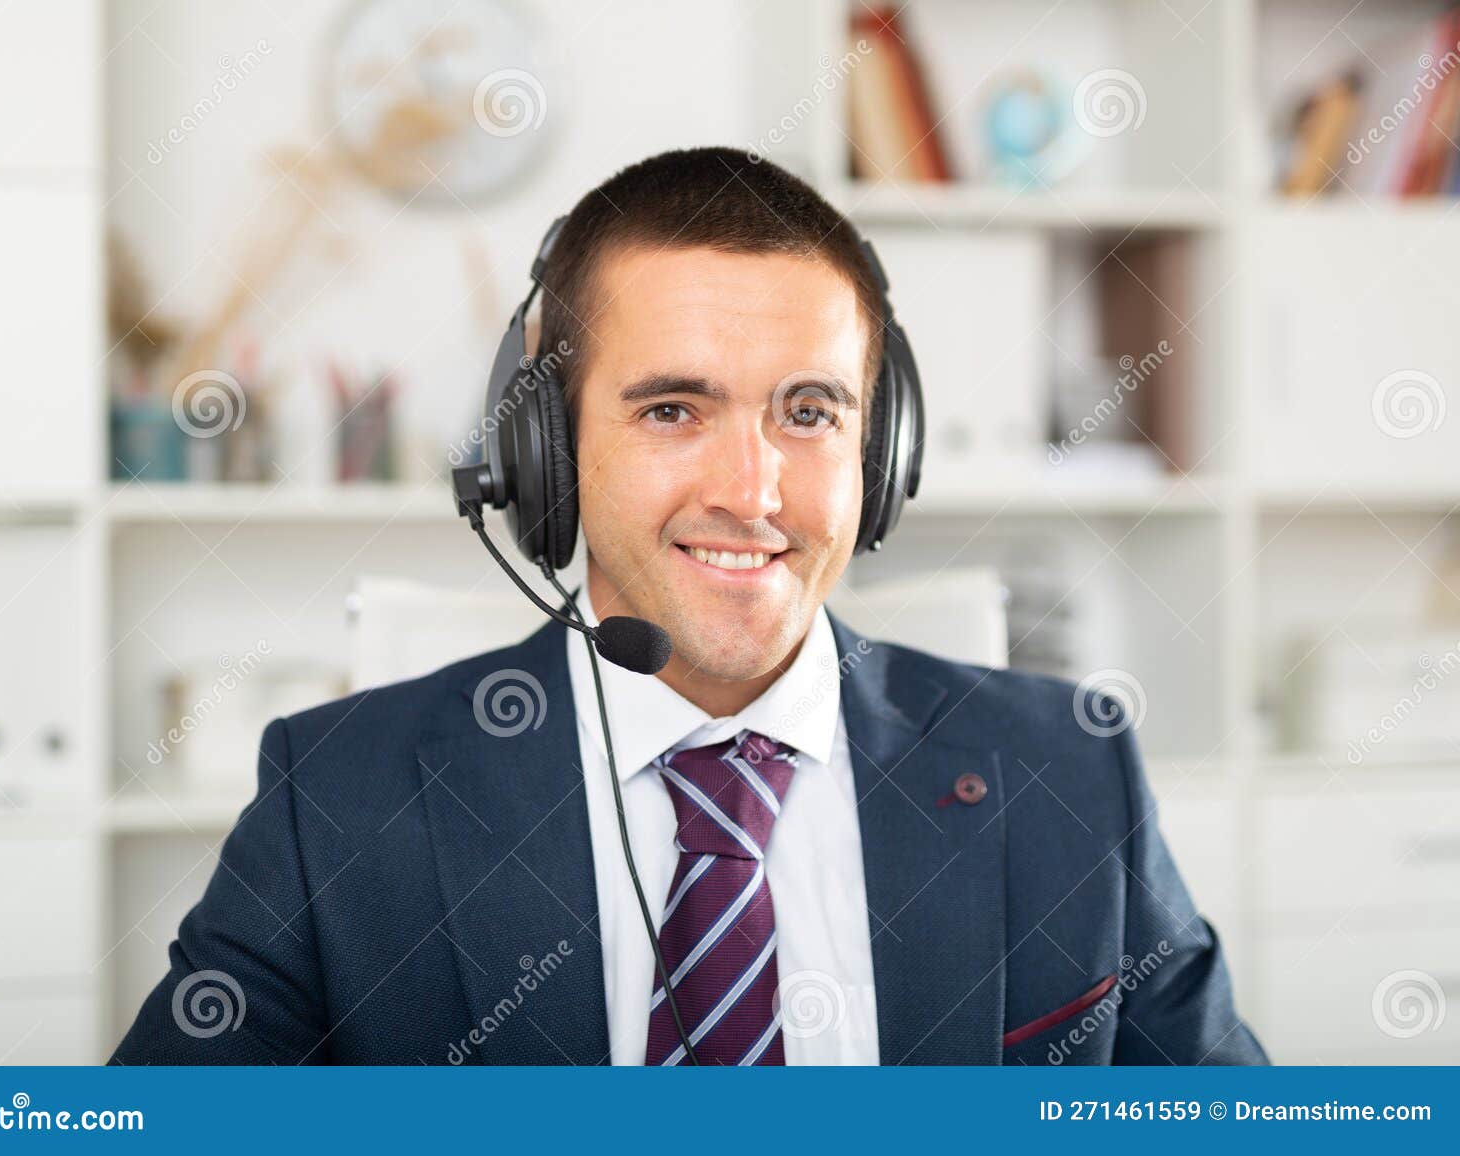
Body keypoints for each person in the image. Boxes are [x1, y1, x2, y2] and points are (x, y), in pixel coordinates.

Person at [113, 147, 1264, 1066]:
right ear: (544, 448)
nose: (751, 493)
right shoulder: (339, 797)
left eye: (808, 412)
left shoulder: (1068, 772)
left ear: (882, 453)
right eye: (672, 409)